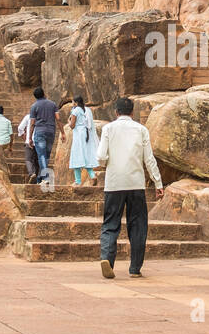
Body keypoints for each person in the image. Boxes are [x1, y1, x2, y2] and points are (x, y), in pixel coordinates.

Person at [95, 96, 163, 279]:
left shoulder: (108, 129)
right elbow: (149, 159)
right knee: (138, 225)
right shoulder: (141, 130)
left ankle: (107, 259)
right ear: (132, 112)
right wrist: (158, 183)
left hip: (114, 183)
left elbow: (101, 156)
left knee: (110, 223)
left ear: (116, 112)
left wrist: (106, 164)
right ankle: (135, 268)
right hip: (135, 184)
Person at [28, 87, 60, 183]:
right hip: (51, 131)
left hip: (40, 132)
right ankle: (40, 179)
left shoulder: (34, 106)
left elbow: (32, 123)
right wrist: (62, 132)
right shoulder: (53, 104)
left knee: (41, 155)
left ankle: (45, 177)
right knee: (46, 156)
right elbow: (58, 118)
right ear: (44, 93)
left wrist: (30, 137)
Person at [68, 96, 99, 186]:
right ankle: (92, 175)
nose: (72, 103)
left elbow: (72, 125)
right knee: (86, 156)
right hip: (86, 134)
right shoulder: (87, 110)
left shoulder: (76, 110)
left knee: (76, 155)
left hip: (78, 134)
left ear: (76, 103)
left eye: (73, 102)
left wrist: (68, 121)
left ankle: (78, 181)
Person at [16, 111, 39, 183]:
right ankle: (37, 178)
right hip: (39, 142)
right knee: (36, 161)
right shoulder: (41, 118)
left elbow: (20, 128)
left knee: (28, 159)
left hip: (29, 141)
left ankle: (32, 173)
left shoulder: (28, 117)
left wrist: (23, 136)